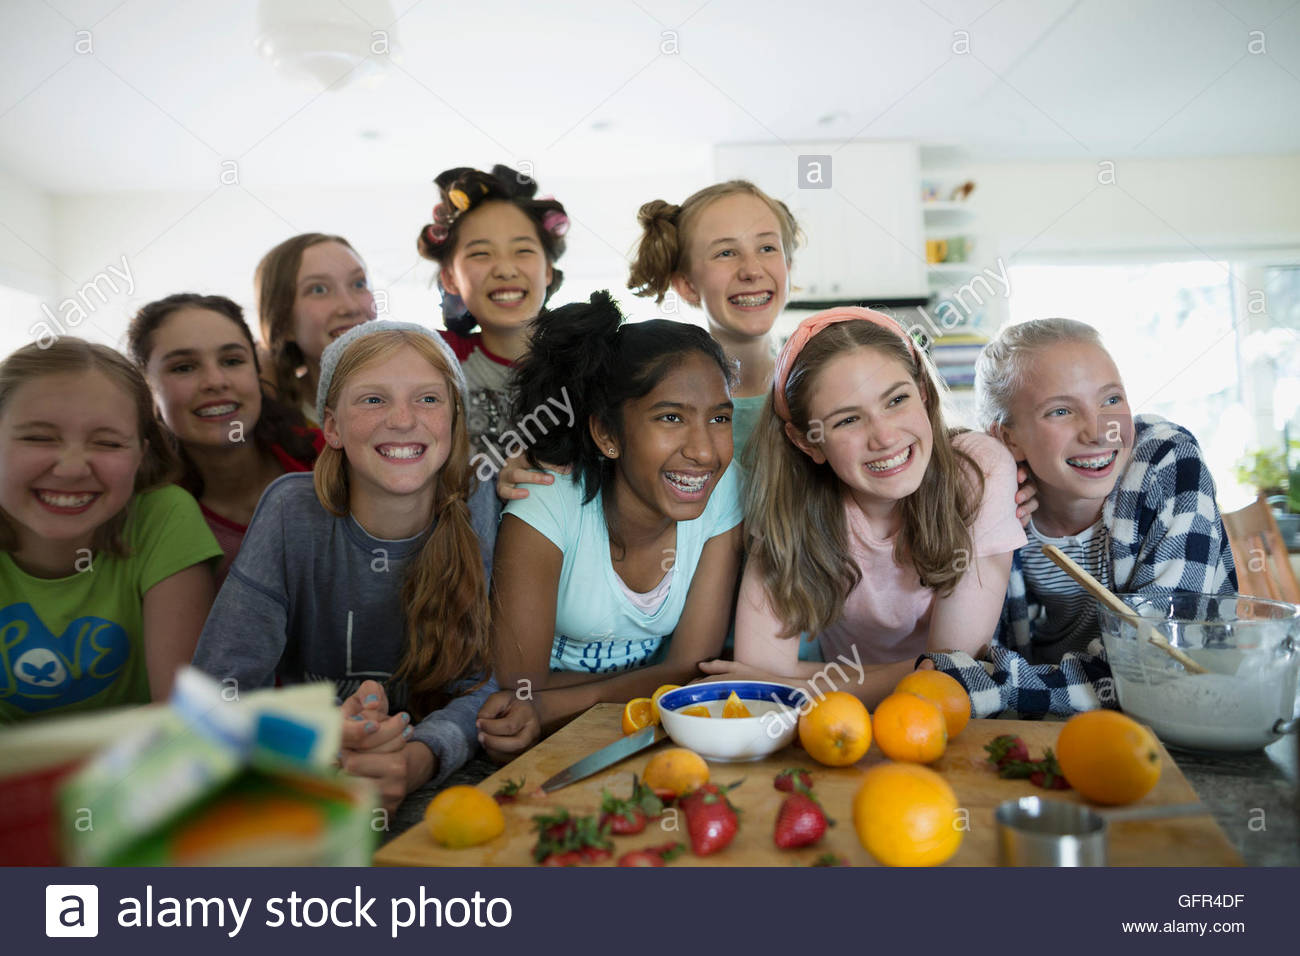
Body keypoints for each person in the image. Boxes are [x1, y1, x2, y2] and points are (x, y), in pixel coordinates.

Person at [192, 321, 499, 811]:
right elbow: (215, 693)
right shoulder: (291, 513)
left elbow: (491, 687)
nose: (402, 420)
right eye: (373, 400)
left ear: (455, 422)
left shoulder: (485, 503)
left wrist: (417, 758)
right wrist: (324, 731)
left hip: (445, 779)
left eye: (427, 399)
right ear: (330, 427)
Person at [700, 308, 1027, 706]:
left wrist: (797, 682)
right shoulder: (794, 505)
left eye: (896, 400)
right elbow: (759, 670)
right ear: (808, 443)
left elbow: (954, 675)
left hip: (956, 713)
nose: (885, 437)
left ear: (922, 391)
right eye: (847, 420)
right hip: (838, 718)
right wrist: (920, 671)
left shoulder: (977, 469)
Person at [921, 318, 1237, 716]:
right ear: (1007, 438)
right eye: (1061, 411)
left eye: (1110, 400)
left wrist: (997, 687)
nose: (1097, 431)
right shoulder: (993, 501)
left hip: (1180, 724)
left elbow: (1157, 669)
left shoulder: (1167, 463)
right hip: (1044, 730)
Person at [476, 292, 744, 759]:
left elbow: (692, 666)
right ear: (607, 434)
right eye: (671, 417)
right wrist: (650, 680)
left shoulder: (723, 488)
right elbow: (517, 691)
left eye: (719, 418)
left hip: (634, 732)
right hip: (553, 745)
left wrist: (553, 703)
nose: (704, 451)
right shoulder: (546, 497)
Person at [0, 339, 220, 722]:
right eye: (38, 437)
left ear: (141, 456)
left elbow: (180, 716)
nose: (71, 468)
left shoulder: (164, 517)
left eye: (108, 443)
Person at [127, 293, 323, 585]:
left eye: (232, 361)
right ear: (148, 390)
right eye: (184, 367)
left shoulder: (327, 455)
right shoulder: (140, 517)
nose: (216, 381)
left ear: (256, 372)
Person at [416, 163, 569, 474]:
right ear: (450, 278)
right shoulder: (432, 359)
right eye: (481, 254)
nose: (504, 269)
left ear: (548, 270)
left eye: (523, 250)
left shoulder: (588, 361)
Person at [255, 233, 377, 425]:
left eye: (359, 283)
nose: (350, 307)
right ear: (283, 323)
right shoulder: (274, 427)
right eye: (319, 289)